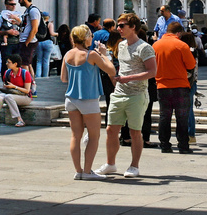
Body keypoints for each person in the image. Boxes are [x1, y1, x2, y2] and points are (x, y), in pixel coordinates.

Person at [96, 13, 157, 178]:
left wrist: (128, 78)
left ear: (133, 28)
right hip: (119, 93)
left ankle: (134, 165)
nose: (118, 29)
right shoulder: (121, 45)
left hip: (137, 94)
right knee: (110, 129)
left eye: (122, 26)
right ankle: (110, 163)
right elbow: (119, 67)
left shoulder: (144, 47)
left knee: (135, 131)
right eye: (118, 25)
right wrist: (103, 54)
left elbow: (152, 72)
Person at [62, 26, 105, 179]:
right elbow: (109, 69)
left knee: (75, 136)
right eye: (90, 36)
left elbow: (63, 78)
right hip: (88, 98)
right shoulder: (90, 55)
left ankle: (78, 170)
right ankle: (87, 171)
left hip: (71, 99)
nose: (91, 38)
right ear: (85, 37)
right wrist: (104, 55)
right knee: (94, 136)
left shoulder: (68, 54)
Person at [153, 21, 197, 154]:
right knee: (182, 116)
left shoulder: (155, 45)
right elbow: (190, 65)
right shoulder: (182, 45)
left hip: (162, 85)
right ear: (179, 33)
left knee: (164, 116)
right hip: (180, 85)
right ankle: (183, 145)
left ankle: (165, 145)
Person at [0, 51, 36, 127]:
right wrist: (6, 87)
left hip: (25, 97)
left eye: (9, 62)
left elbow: (27, 90)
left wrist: (14, 87)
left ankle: (20, 120)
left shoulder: (25, 73)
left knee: (8, 97)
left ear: (15, 64)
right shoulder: (7, 73)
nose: (6, 64)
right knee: (1, 96)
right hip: (12, 94)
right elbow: (5, 86)